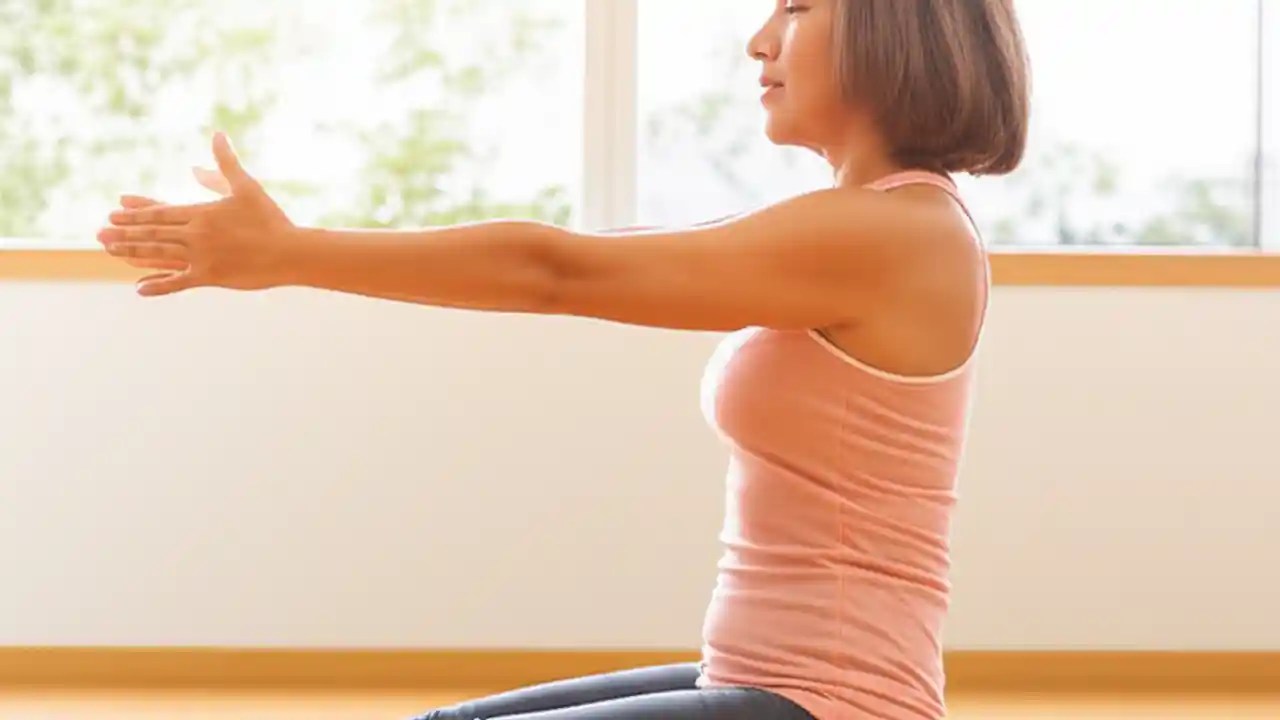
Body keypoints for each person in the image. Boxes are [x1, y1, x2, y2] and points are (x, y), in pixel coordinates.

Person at [98, 0, 1030, 717]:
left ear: (893, 28)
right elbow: (599, 252)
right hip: (759, 679)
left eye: (797, 7)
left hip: (830, 705)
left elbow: (553, 270)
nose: (759, 42)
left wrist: (294, 254)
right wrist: (293, 249)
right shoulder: (862, 223)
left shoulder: (896, 235)